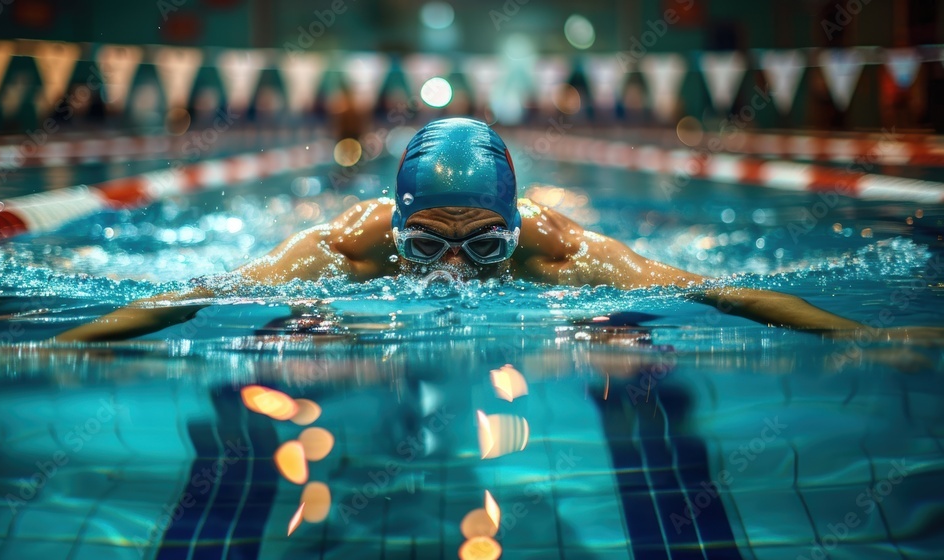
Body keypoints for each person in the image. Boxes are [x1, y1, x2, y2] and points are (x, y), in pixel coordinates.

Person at [54, 117, 937, 347]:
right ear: (391, 233)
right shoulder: (339, 248)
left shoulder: (564, 251)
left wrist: (873, 340)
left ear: (516, 231)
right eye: (425, 247)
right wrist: (61, 345)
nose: (455, 275)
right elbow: (197, 293)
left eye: (484, 248)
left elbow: (719, 289)